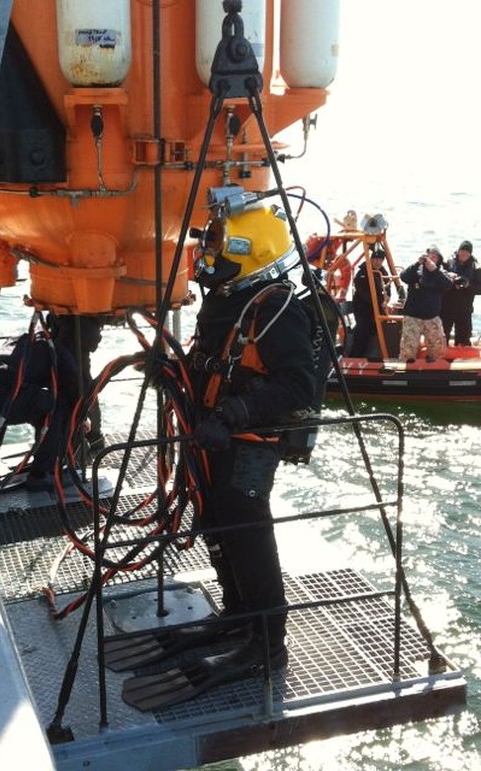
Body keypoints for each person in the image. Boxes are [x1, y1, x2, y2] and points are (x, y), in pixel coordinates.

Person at [189, 197, 318, 672]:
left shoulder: (277, 305)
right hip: (217, 435)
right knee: (215, 521)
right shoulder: (228, 302)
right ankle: (240, 613)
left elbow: (298, 383)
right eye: (211, 243)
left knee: (247, 530)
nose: (209, 254)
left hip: (251, 441)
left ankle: (268, 645)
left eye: (219, 244)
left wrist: (235, 412)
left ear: (251, 250)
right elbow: (216, 360)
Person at [0, 331, 80, 491]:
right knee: (57, 407)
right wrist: (83, 419)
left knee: (3, 397)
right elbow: (74, 395)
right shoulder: (61, 353)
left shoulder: (22, 339)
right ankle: (42, 475)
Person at [48, 313, 105, 452]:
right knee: (79, 381)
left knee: (81, 382)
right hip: (70, 323)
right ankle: (90, 436)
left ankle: (89, 436)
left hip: (77, 327)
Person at [398, 246, 453, 361]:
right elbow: (403, 276)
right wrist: (418, 263)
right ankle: (406, 372)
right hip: (412, 317)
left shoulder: (440, 273)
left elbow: (448, 284)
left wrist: (434, 270)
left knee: (438, 351)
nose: (432, 258)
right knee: (407, 351)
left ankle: (436, 372)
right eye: (430, 255)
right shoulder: (416, 271)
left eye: (435, 256)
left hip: (431, 318)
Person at [349, 245, 390, 357]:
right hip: (363, 307)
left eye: (380, 260)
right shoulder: (362, 273)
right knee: (363, 329)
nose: (377, 262)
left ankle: (376, 354)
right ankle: (355, 356)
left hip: (377, 307)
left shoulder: (382, 272)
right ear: (371, 259)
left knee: (382, 327)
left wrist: (386, 299)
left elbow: (387, 287)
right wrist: (379, 301)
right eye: (375, 259)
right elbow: (364, 293)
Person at [440, 240, 477, 346]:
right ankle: (439, 358)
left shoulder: (476, 268)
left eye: (467, 252)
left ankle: (462, 358)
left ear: (470, 254)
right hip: (446, 307)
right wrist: (451, 279)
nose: (464, 254)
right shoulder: (447, 263)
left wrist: (467, 285)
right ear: (458, 251)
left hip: (464, 309)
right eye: (462, 251)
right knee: (442, 336)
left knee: (463, 338)